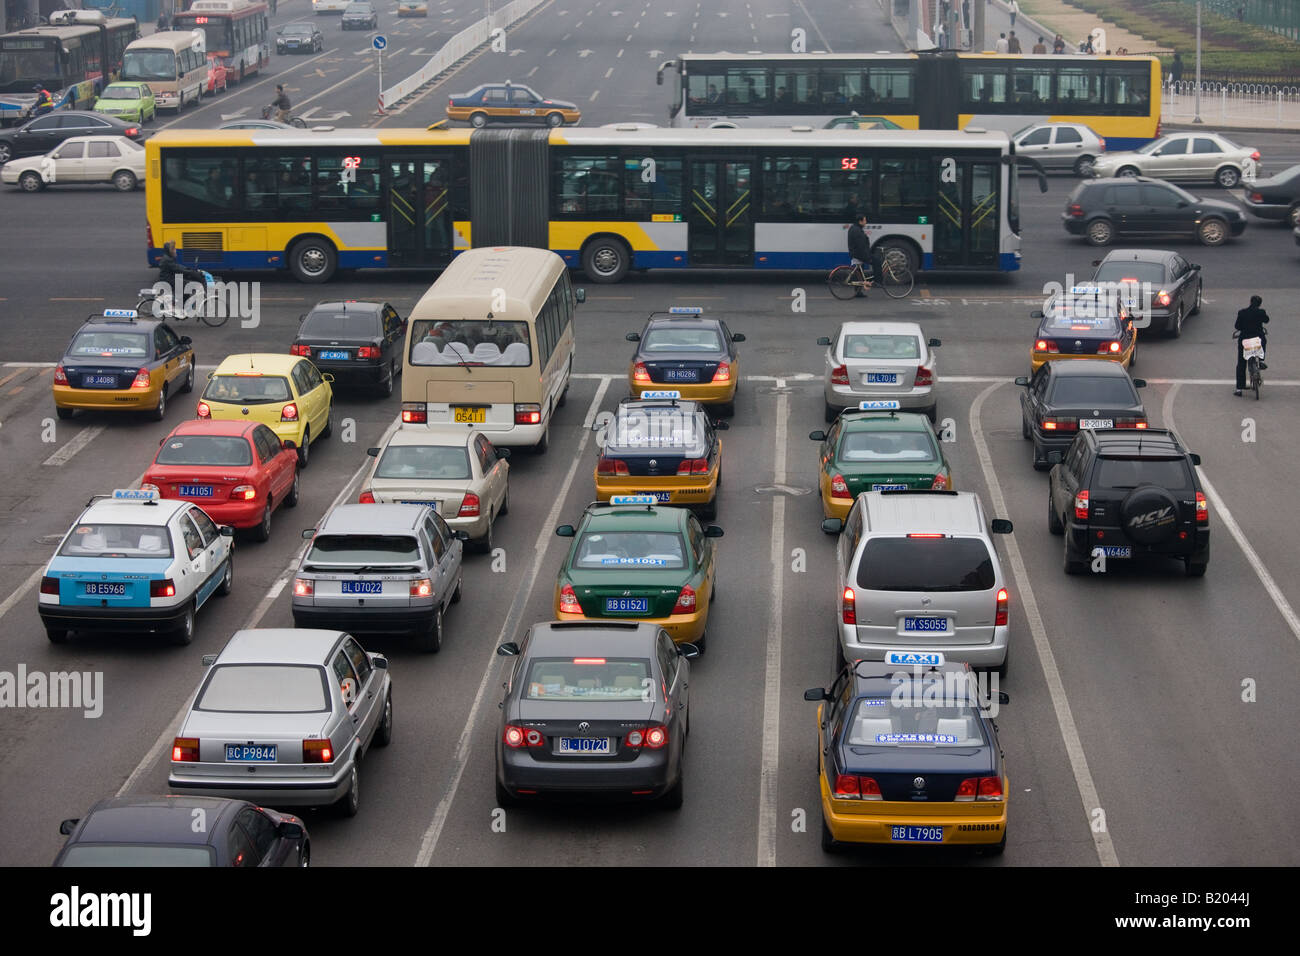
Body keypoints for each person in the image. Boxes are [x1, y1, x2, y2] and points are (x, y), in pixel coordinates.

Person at [1233, 295, 1269, 395]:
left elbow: (1237, 326)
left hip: (1245, 341)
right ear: (1259, 304)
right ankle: (1261, 361)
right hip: (1257, 340)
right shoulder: (1261, 312)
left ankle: (1239, 389)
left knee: (1241, 363)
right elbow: (1267, 320)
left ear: (1250, 302)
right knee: (1264, 342)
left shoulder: (1242, 312)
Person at [846, 213, 872, 297]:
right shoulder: (856, 230)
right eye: (865, 220)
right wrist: (866, 256)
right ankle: (857, 291)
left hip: (857, 253)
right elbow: (860, 245)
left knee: (859, 272)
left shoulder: (856, 228)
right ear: (860, 221)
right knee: (858, 273)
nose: (866, 222)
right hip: (858, 254)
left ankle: (858, 291)